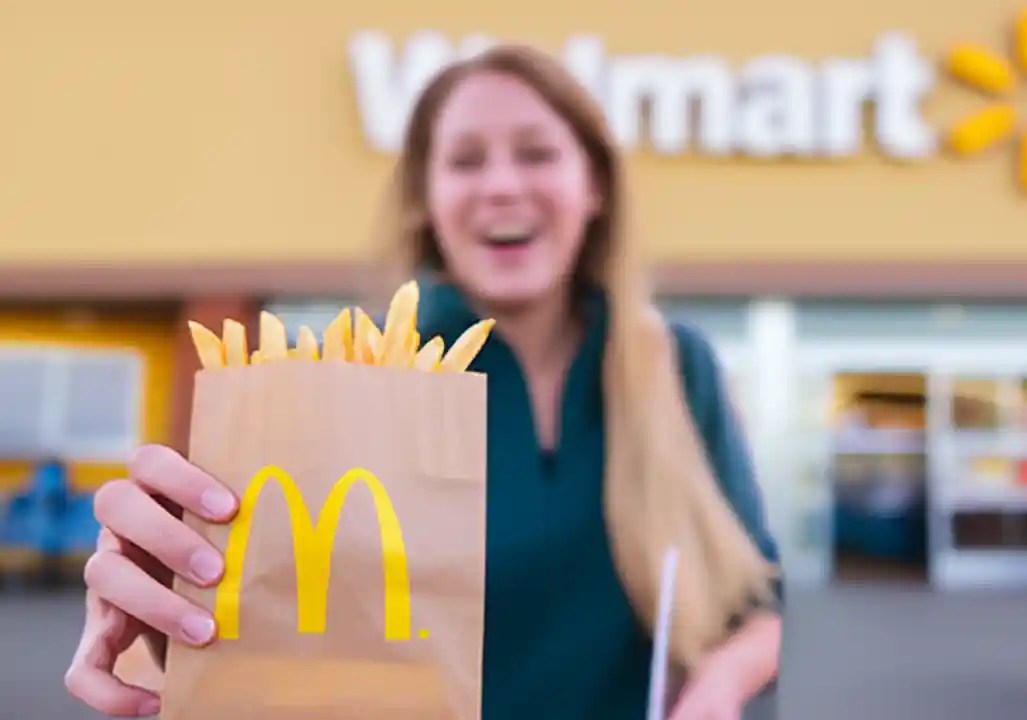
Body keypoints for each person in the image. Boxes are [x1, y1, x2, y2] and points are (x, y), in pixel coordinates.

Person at [65, 43, 783, 719]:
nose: (502, 185)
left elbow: (760, 606)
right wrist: (170, 601)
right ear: (426, 201)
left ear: (594, 185)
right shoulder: (355, 379)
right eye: (466, 161)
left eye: (536, 153)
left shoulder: (676, 367)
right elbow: (274, 640)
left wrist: (718, 687)